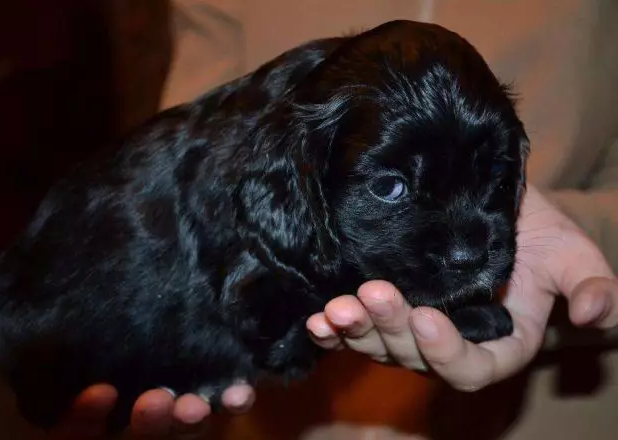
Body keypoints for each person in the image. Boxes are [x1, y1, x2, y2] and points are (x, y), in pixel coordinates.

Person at [44, 0, 618, 438]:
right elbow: (199, 154)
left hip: (550, 409)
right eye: (392, 184)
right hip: (280, 410)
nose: (468, 247)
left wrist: (579, 227)